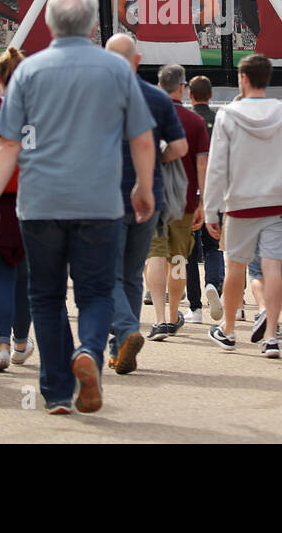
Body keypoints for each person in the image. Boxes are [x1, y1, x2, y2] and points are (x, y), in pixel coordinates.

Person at [0, 0, 156, 414]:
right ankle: (90, 353)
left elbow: (6, 144)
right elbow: (142, 139)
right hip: (98, 201)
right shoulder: (115, 70)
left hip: (40, 202)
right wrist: (144, 187)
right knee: (95, 291)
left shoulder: (27, 72)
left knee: (45, 294)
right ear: (94, 25)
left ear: (50, 25)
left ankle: (57, 392)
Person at [203, 54, 282, 358]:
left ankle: (229, 330)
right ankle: (271, 336)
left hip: (240, 203)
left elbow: (218, 166)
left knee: (236, 268)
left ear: (243, 79)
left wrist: (211, 209)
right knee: (273, 267)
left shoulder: (228, 116)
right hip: (279, 202)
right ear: (267, 79)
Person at [104, 35, 186, 371]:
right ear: (137, 60)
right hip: (148, 195)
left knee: (106, 276)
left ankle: (124, 332)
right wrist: (155, 162)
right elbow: (179, 148)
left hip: (106, 196)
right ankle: (120, 345)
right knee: (131, 273)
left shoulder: (96, 96)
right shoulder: (156, 97)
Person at [0, 46, 33, 373]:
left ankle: (0, 345)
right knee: (26, 279)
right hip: (32, 202)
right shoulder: (37, 110)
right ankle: (21, 343)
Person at [150, 64, 208, 338]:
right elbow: (202, 164)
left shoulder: (147, 116)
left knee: (155, 255)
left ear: (159, 86)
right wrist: (203, 202)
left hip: (152, 198)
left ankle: (159, 318)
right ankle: (174, 315)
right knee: (178, 258)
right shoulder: (195, 122)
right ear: (183, 88)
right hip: (184, 201)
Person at [183, 74, 224, 322]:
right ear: (210, 96)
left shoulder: (186, 120)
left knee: (188, 251)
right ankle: (213, 283)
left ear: (190, 94)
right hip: (214, 190)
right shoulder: (220, 119)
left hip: (189, 191)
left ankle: (195, 307)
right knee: (213, 245)